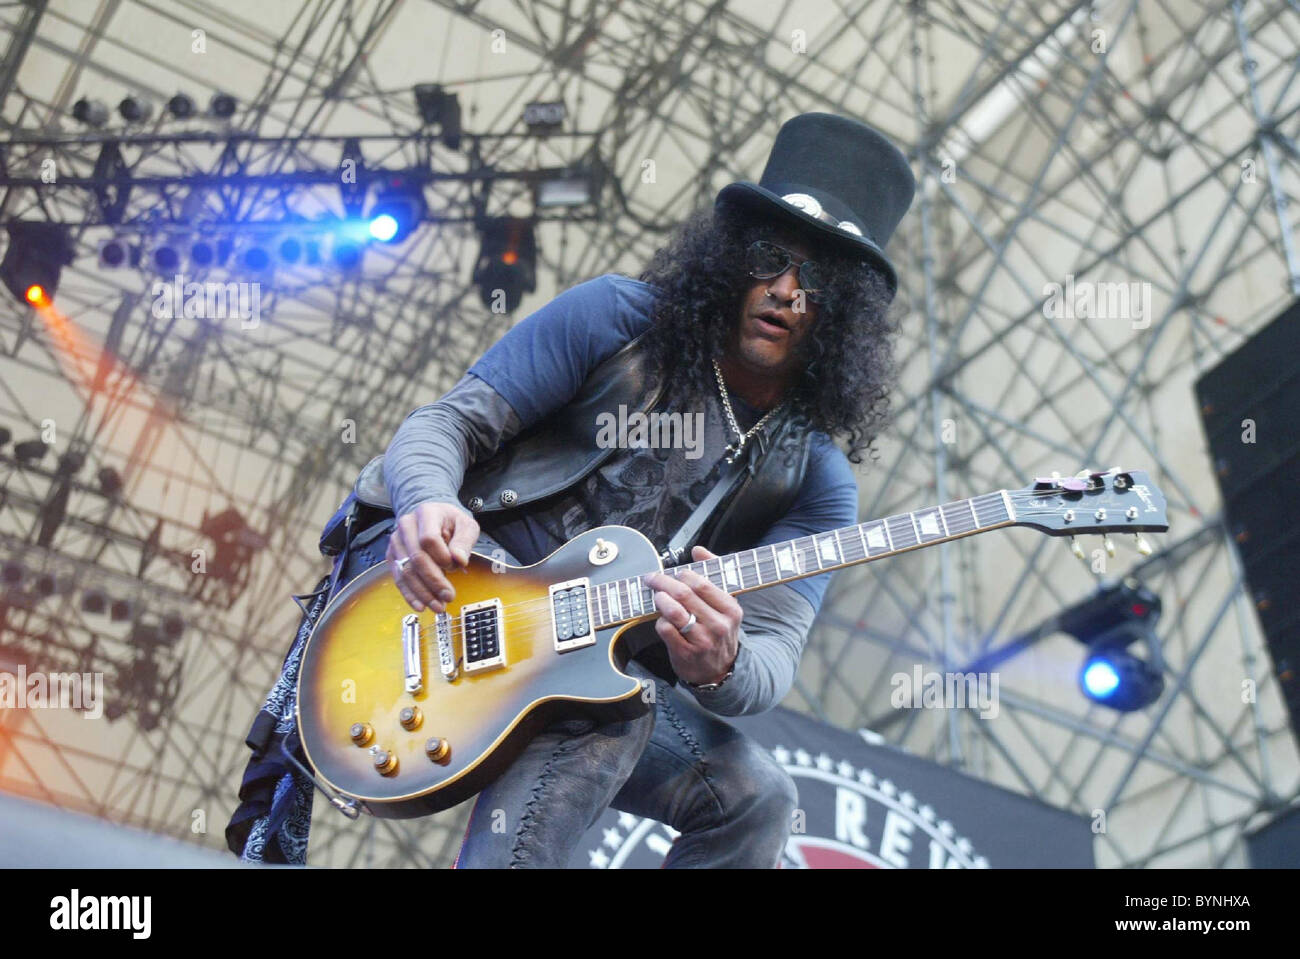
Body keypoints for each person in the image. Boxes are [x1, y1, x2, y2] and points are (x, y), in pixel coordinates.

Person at [376, 112, 915, 868]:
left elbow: (771, 660)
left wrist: (720, 663)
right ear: (732, 260)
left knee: (758, 799)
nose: (788, 291)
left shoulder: (816, 481)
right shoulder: (618, 320)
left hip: (588, 678)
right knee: (618, 715)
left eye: (818, 283)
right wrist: (429, 500)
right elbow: (444, 426)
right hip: (451, 604)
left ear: (843, 316)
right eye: (770, 258)